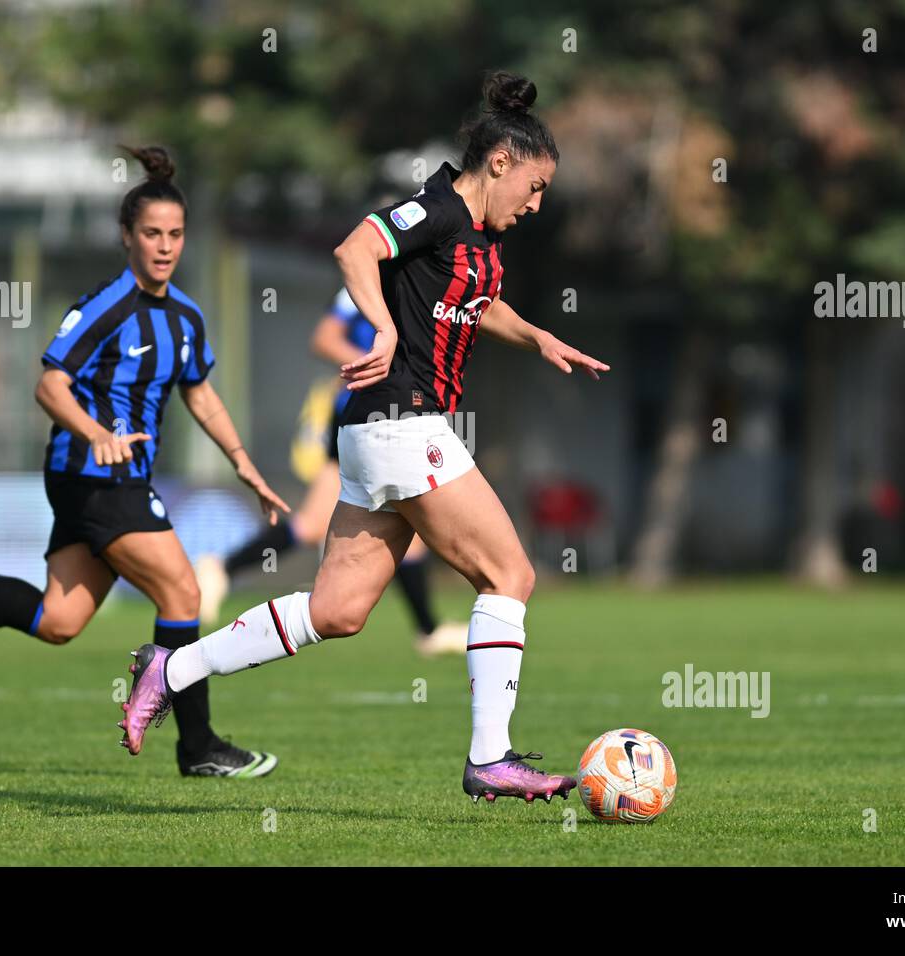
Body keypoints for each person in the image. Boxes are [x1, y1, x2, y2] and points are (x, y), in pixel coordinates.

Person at [118, 73, 609, 804]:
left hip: (377, 433)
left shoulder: (473, 236)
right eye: (534, 188)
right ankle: (490, 758)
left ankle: (172, 668)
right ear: (500, 162)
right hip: (402, 419)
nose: (535, 206)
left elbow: (480, 300)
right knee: (512, 576)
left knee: (337, 611)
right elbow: (355, 249)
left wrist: (537, 336)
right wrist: (381, 326)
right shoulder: (439, 207)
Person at [0, 146, 289, 779]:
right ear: (127, 237)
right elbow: (50, 384)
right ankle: (198, 748)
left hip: (117, 479)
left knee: (60, 619)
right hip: (91, 474)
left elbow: (200, 392)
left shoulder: (186, 317)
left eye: (176, 235)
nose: (165, 246)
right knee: (183, 591)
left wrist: (243, 462)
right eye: (152, 234)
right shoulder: (105, 306)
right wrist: (95, 431)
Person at [193, 285, 468, 656]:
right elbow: (324, 338)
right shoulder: (367, 281)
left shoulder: (420, 276)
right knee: (320, 524)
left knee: (389, 524)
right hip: (364, 411)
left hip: (395, 411)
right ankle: (221, 571)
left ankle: (428, 629)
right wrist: (381, 368)